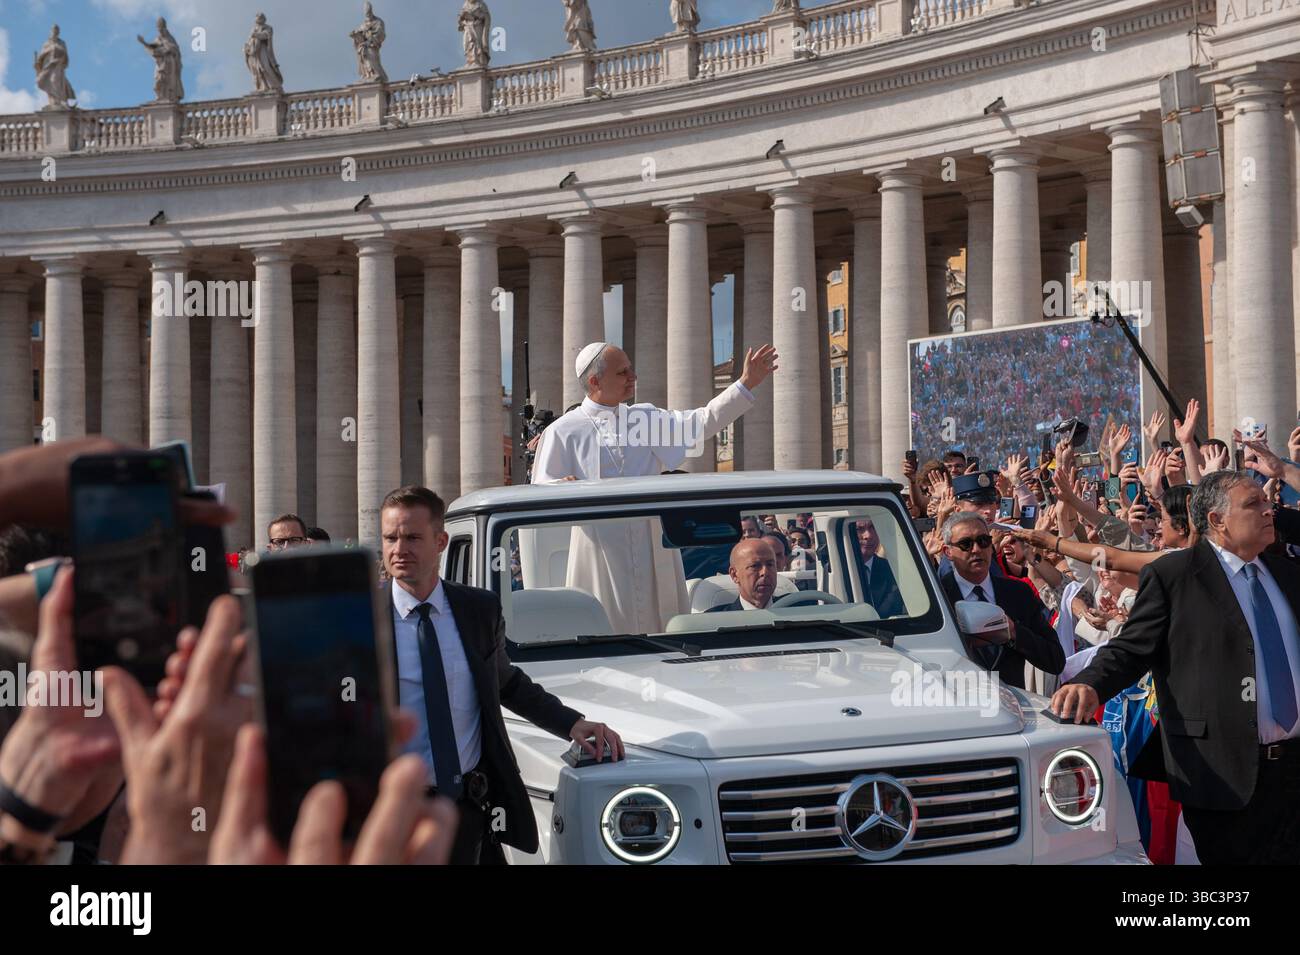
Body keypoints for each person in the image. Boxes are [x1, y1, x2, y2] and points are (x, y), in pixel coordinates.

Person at [1053, 471, 1300, 864]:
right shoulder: (1176, 576)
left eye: (1266, 502)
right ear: (1217, 520)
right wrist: (1090, 685)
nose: (1269, 510)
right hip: (1223, 773)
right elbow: (1132, 649)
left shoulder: (1287, 572)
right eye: (1254, 504)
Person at [379, 485, 623, 864]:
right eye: (390, 538)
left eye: (412, 537)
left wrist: (572, 723)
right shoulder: (360, 619)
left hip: (468, 808)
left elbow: (505, 682)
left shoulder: (478, 609)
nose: (399, 549)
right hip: (393, 813)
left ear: (440, 541)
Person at [530, 340, 777, 633]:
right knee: (604, 635)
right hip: (599, 553)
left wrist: (745, 383)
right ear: (595, 380)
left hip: (654, 548)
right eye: (623, 372)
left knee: (665, 634)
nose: (633, 376)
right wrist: (560, 488)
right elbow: (540, 496)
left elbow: (701, 422)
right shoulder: (562, 431)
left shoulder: (644, 419)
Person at [938, 514, 1064, 689]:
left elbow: (1055, 660)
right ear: (948, 552)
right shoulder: (937, 597)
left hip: (1011, 704)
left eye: (983, 541)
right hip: (955, 704)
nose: (976, 549)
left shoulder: (1018, 593)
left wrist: (1014, 633)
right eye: (966, 544)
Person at [852, 518, 904, 618]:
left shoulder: (893, 570)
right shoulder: (823, 574)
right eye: (859, 529)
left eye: (873, 527)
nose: (868, 536)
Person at [707, 538, 777, 612]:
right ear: (734, 575)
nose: (765, 572)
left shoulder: (790, 608)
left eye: (770, 565)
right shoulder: (715, 619)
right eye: (755, 566)